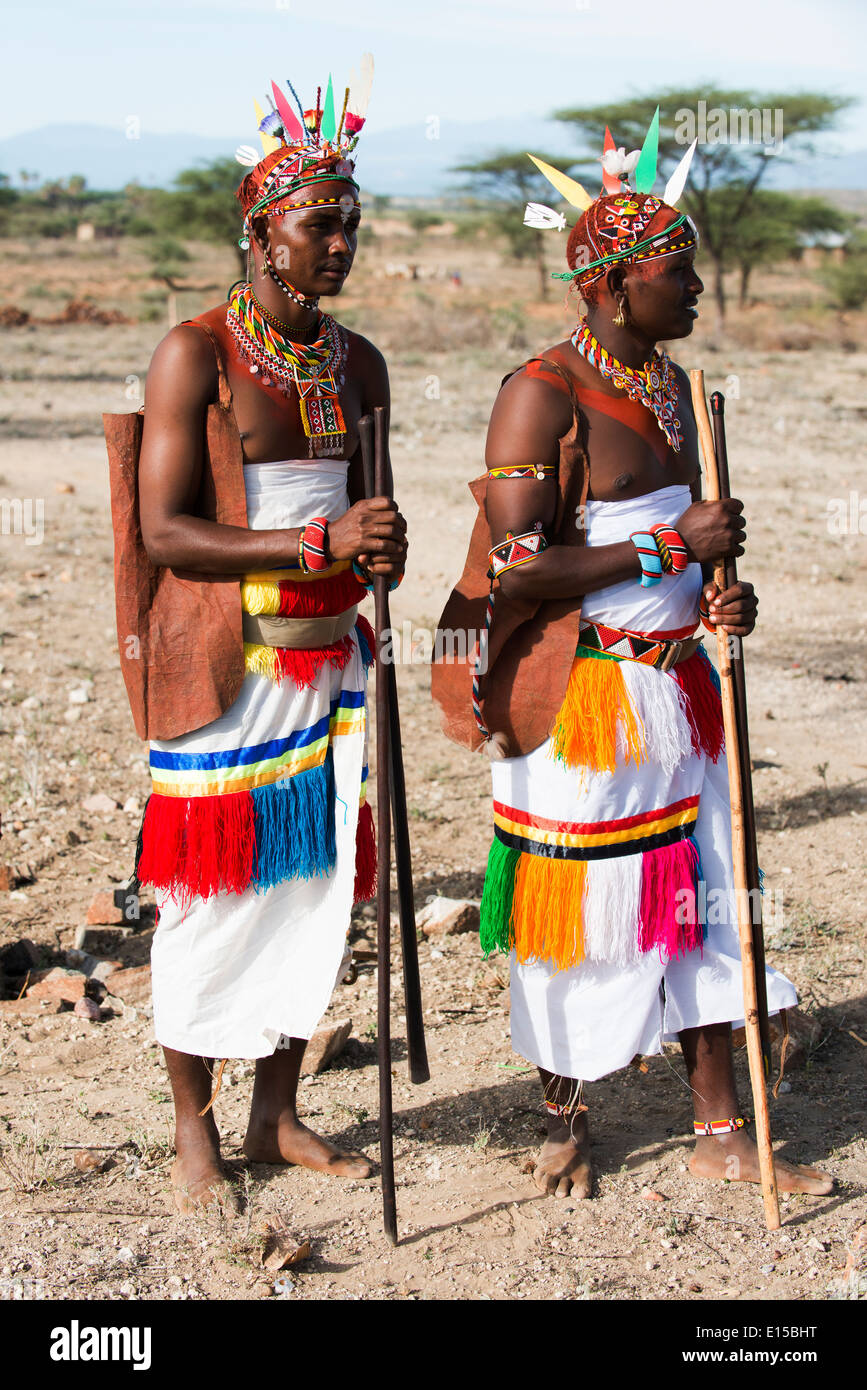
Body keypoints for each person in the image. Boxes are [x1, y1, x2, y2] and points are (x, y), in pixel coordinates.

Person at [437, 136, 832, 1200]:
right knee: (584, 911)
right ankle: (563, 1115)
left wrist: (719, 602)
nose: (698, 285)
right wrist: (673, 549)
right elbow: (519, 569)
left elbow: (695, 550)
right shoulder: (540, 391)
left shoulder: (677, 390)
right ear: (613, 283)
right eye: (678, 270)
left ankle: (718, 1127)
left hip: (682, 692)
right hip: (581, 698)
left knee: (706, 888)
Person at [131, 65, 407, 1211]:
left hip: (334, 663)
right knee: (214, 896)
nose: (340, 243)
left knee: (318, 889)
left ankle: (275, 1111)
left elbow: (373, 512)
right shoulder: (196, 352)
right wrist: (314, 547)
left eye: (351, 223)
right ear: (261, 230)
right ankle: (194, 1129)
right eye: (318, 222)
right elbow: (163, 530)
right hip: (227, 670)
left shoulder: (358, 362)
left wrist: (379, 548)